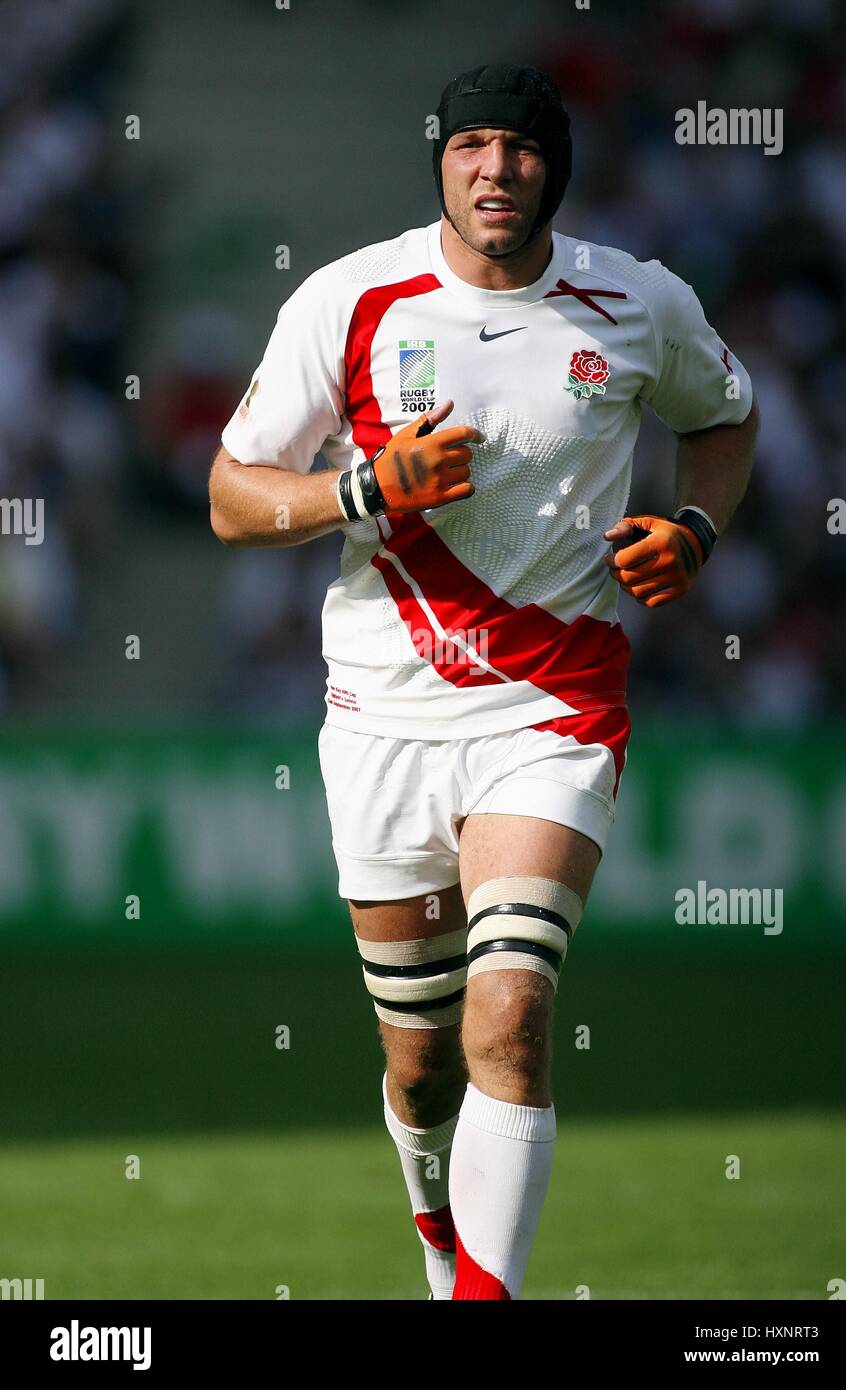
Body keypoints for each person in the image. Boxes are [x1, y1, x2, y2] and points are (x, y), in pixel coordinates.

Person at [209, 62, 758, 1300]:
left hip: (552, 709)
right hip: (383, 718)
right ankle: (433, 1237)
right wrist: (364, 488)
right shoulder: (349, 298)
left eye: (519, 149)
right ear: (441, 164)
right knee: (421, 1069)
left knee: (506, 1018)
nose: (494, 170)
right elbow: (234, 498)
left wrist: (694, 530)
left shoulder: (635, 301)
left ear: (552, 167)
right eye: (471, 149)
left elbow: (724, 418)